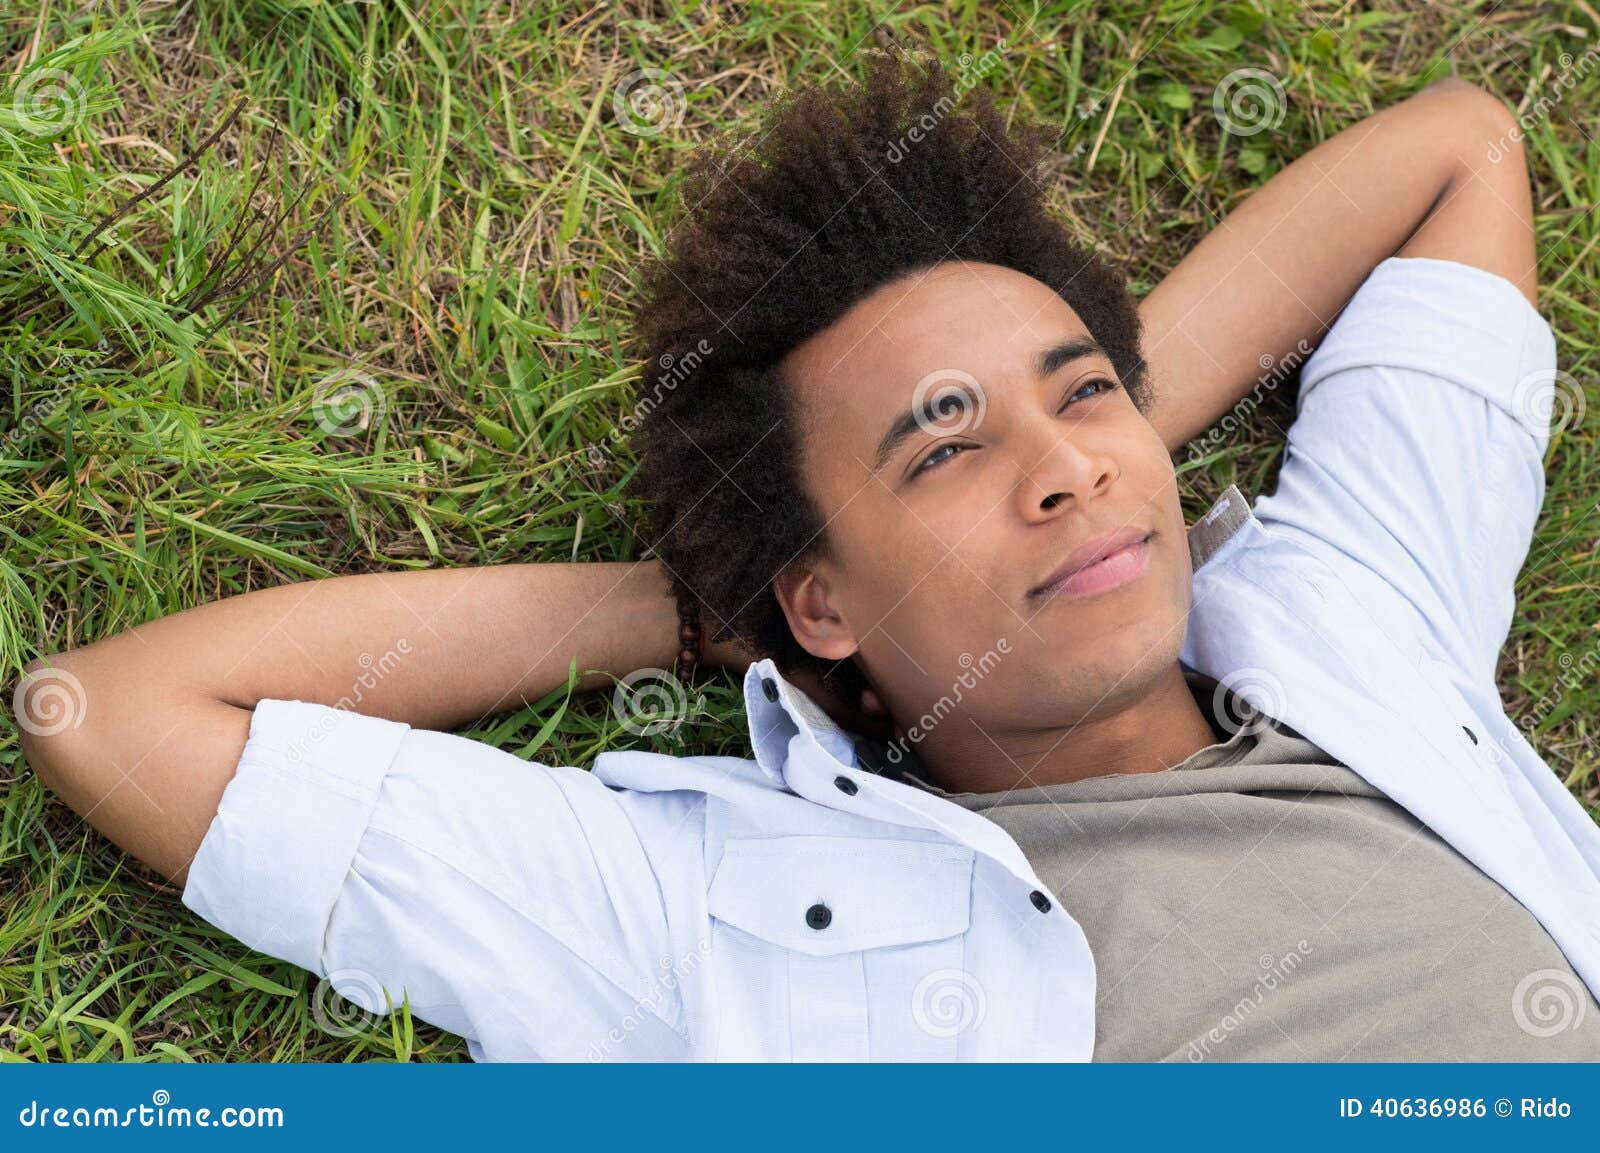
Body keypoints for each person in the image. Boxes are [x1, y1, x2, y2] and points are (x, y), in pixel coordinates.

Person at [18, 52, 1600, 1061]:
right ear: (820, 596)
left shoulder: (1359, 617)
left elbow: (1457, 149)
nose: (1056, 467)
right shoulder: (708, 914)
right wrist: (731, 602)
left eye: (1091, 393)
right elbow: (106, 711)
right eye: (941, 448)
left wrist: (1088, 468)